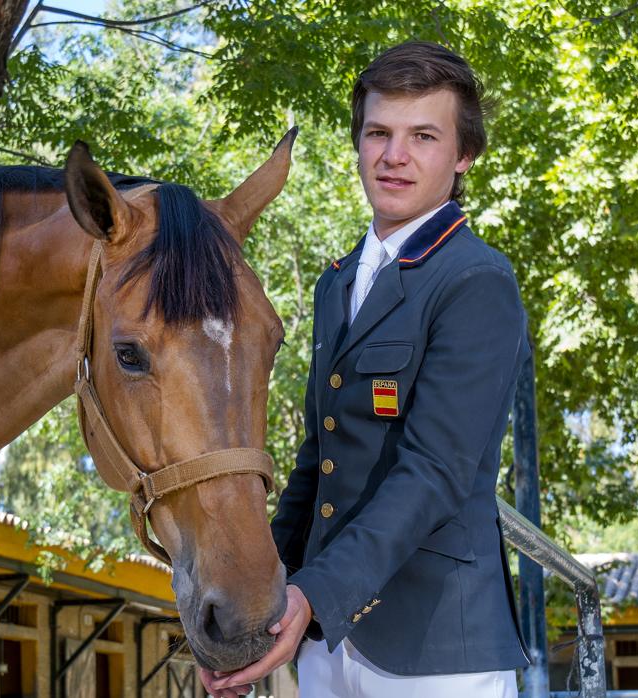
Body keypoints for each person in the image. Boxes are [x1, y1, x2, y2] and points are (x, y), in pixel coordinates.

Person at [201, 41, 531, 698]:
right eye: (378, 132)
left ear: (463, 156)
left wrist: (311, 596)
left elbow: (435, 472)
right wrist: (255, 608)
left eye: (423, 136)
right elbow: (316, 465)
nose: (394, 155)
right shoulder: (338, 283)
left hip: (438, 648)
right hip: (328, 638)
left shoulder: (476, 281)